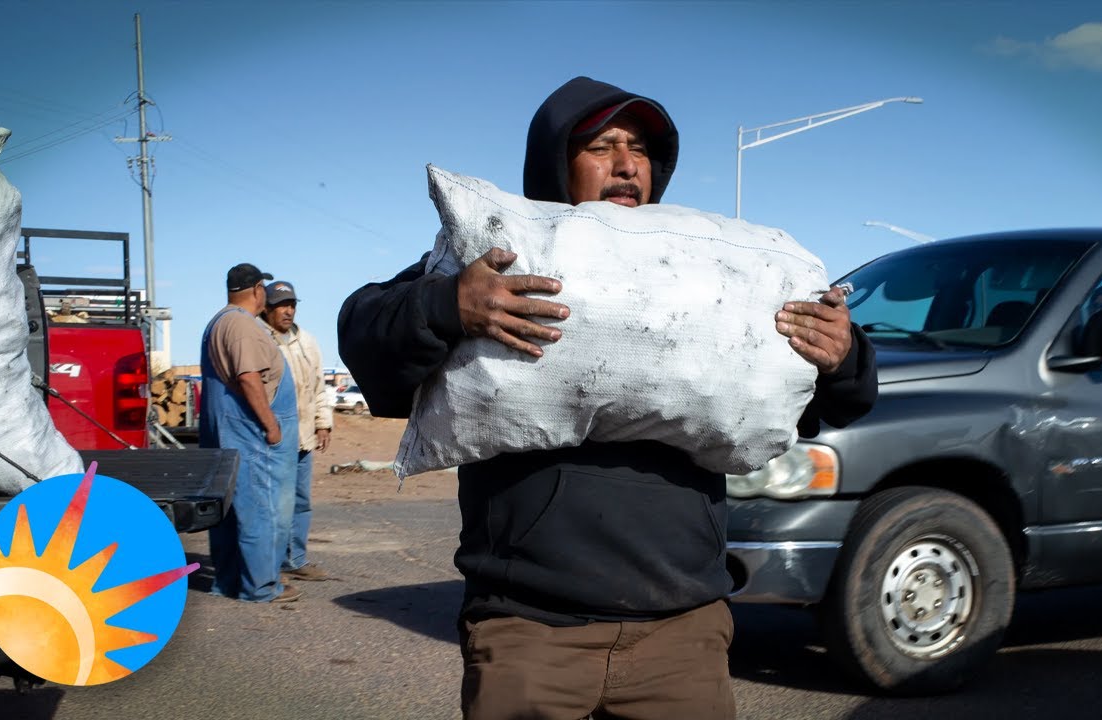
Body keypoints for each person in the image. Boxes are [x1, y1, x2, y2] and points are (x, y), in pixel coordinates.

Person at [337, 76, 877, 719]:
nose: (626, 165)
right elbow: (364, 333)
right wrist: (445, 305)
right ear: (556, 161)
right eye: (602, 146)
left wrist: (844, 356)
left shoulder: (710, 283)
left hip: (685, 631)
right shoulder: (496, 262)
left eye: (641, 149)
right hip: (529, 629)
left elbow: (837, 402)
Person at [200, 263, 301, 604]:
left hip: (227, 429)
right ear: (258, 290)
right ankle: (261, 586)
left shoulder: (219, 320)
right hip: (249, 432)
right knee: (262, 510)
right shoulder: (242, 325)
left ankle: (229, 581)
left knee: (230, 514)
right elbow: (248, 377)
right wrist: (271, 425)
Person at [259, 280, 334, 582]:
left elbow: (318, 385)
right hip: (274, 439)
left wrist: (323, 422)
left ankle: (295, 559)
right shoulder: (261, 340)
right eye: (281, 305)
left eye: (292, 305)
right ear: (267, 309)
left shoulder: (307, 342)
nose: (288, 311)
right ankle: (268, 565)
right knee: (275, 502)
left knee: (301, 501)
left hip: (303, 437)